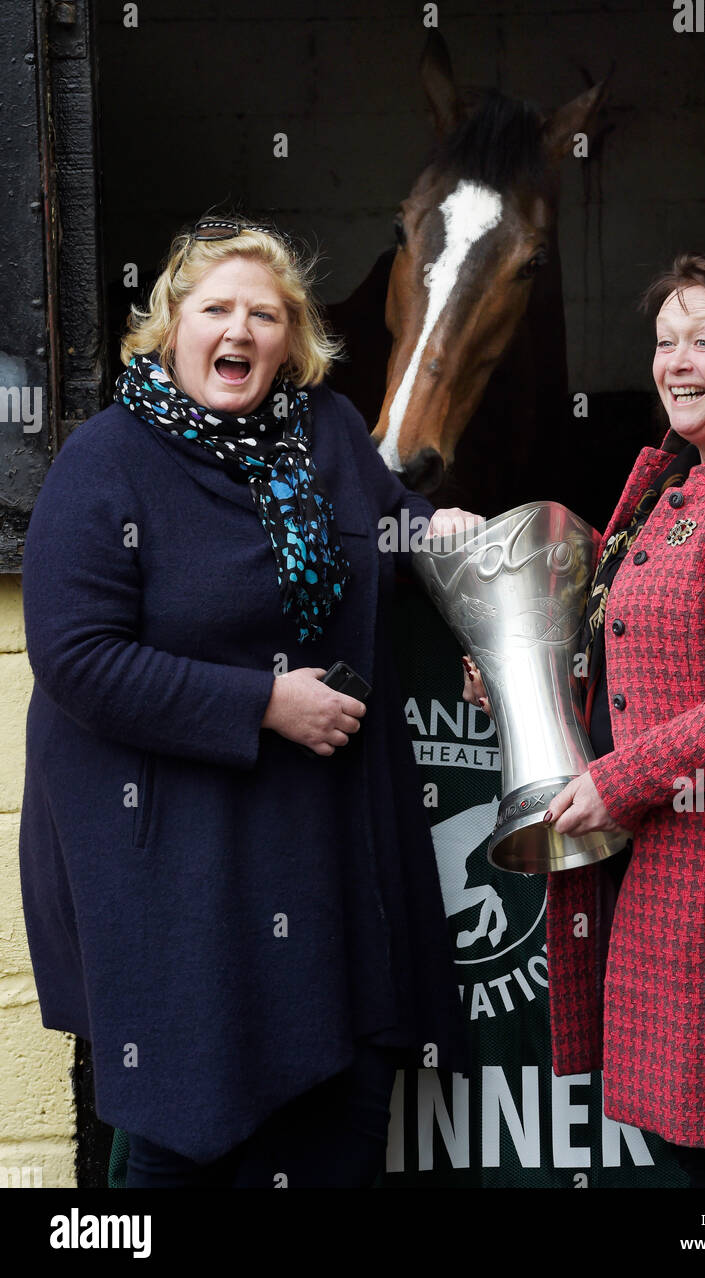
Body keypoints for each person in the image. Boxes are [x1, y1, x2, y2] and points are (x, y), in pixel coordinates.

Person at [19, 213, 479, 1189]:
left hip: (319, 862)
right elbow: (75, 657)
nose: (241, 329)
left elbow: (406, 534)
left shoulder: (330, 433)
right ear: (170, 325)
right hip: (179, 876)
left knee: (335, 1113)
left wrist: (489, 572)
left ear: (293, 337)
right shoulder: (105, 460)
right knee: (187, 1131)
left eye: (265, 313)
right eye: (215, 307)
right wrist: (261, 704)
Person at [464, 253, 705, 1188]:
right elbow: (627, 651)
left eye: (704, 340)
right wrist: (531, 681)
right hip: (664, 883)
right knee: (699, 1158)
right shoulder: (671, 482)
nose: (677, 362)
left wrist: (614, 780)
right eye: (664, 341)